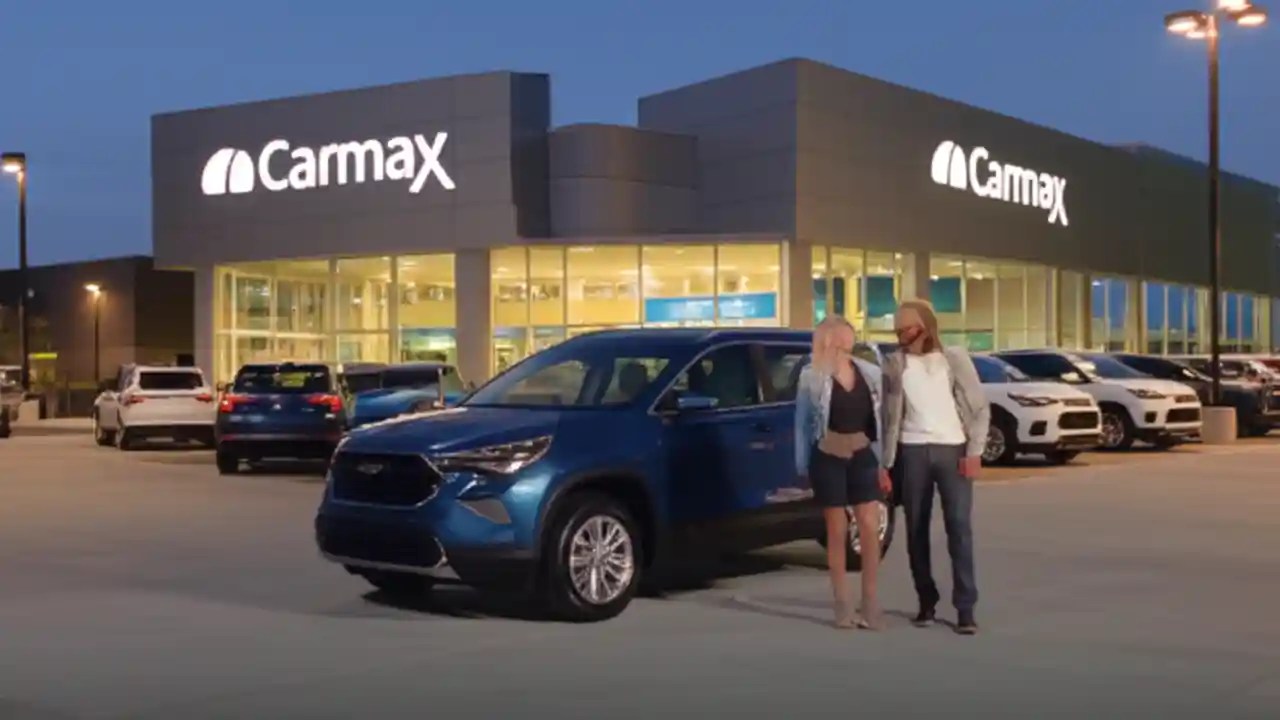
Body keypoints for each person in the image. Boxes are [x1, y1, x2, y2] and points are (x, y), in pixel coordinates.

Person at [879, 299, 990, 635]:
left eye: (907, 327)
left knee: (959, 527)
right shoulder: (894, 364)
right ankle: (926, 600)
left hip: (953, 448)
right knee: (916, 530)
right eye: (898, 328)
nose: (901, 334)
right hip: (911, 451)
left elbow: (979, 407)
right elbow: (887, 417)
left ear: (925, 326)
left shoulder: (952, 358)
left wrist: (975, 451)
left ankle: (965, 608)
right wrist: (885, 463)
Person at [795, 315, 892, 629]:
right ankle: (842, 603)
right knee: (836, 530)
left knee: (868, 524)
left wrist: (883, 463)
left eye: (849, 337)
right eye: (840, 337)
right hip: (828, 455)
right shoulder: (812, 376)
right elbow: (801, 423)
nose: (846, 342)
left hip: (863, 452)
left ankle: (871, 601)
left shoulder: (870, 373)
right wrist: (800, 465)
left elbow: (880, 420)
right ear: (828, 339)